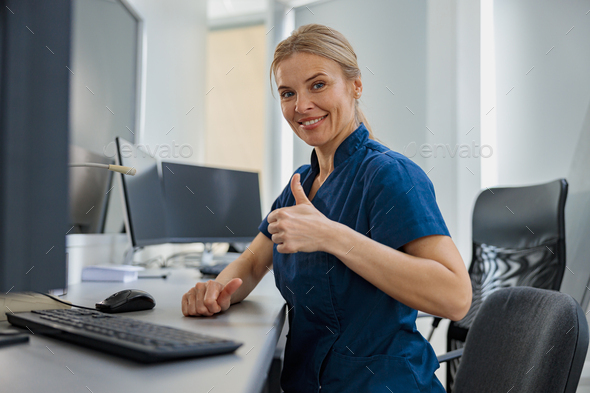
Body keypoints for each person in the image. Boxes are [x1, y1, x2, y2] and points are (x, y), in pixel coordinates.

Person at [181, 24, 472, 393]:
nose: (301, 106)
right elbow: (254, 261)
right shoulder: (301, 184)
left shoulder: (388, 175)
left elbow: (456, 298)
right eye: (288, 93)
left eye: (318, 85)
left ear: (356, 86)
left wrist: (332, 236)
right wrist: (215, 292)